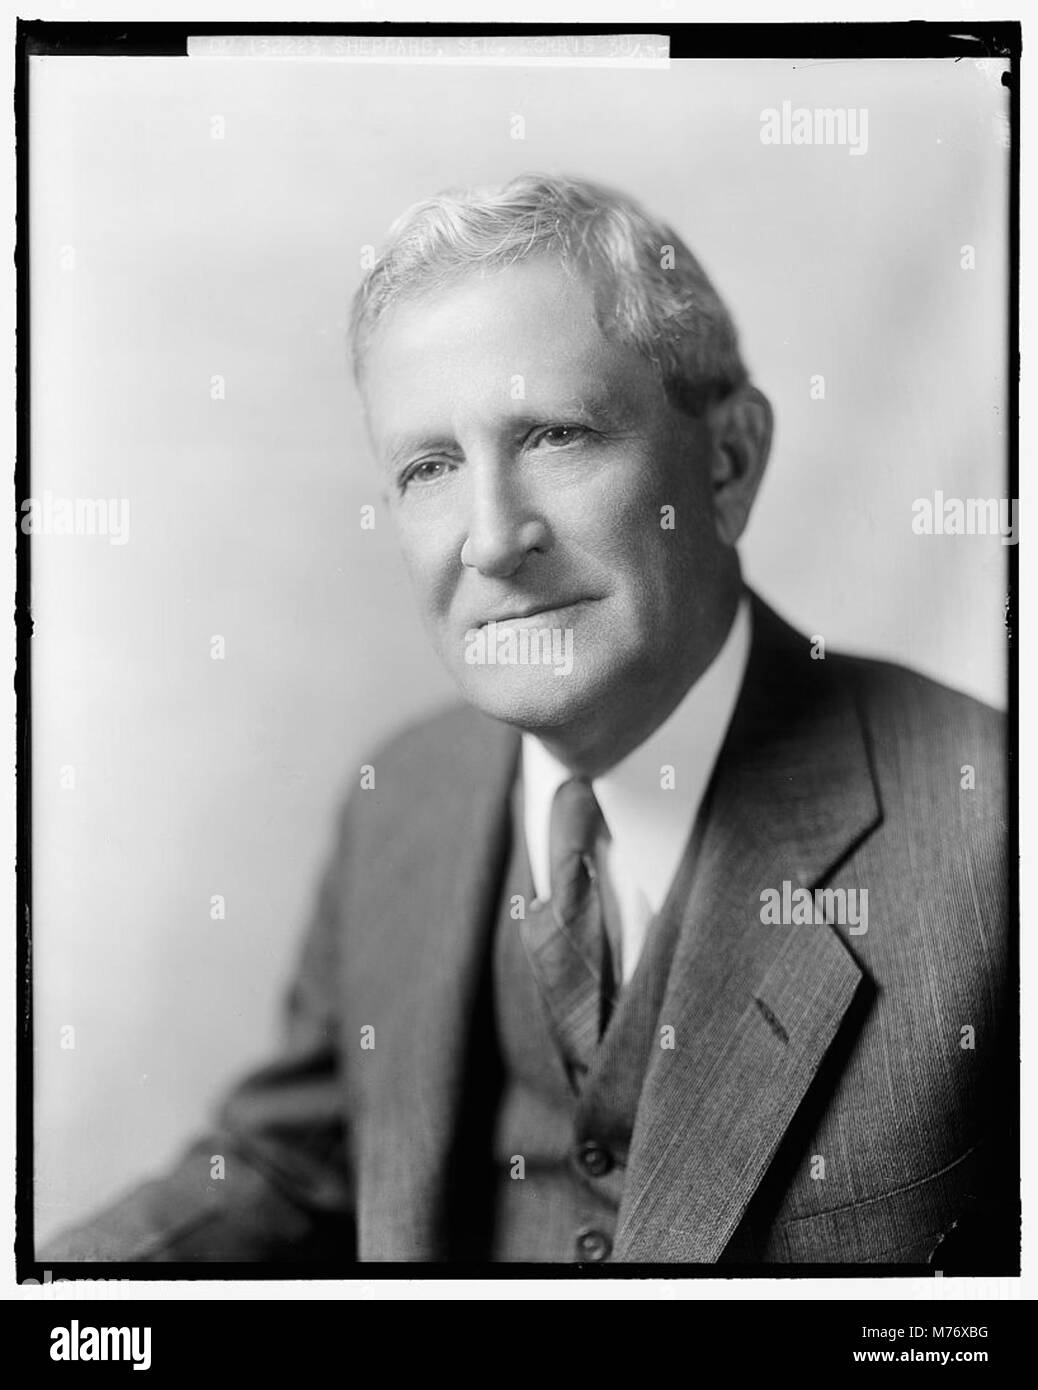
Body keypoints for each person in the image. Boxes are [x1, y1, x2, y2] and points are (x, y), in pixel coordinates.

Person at [40, 174, 1013, 1267]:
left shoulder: (993, 839)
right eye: (431, 466)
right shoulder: (402, 800)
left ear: (728, 462)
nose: (492, 539)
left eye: (557, 433)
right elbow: (292, 1167)